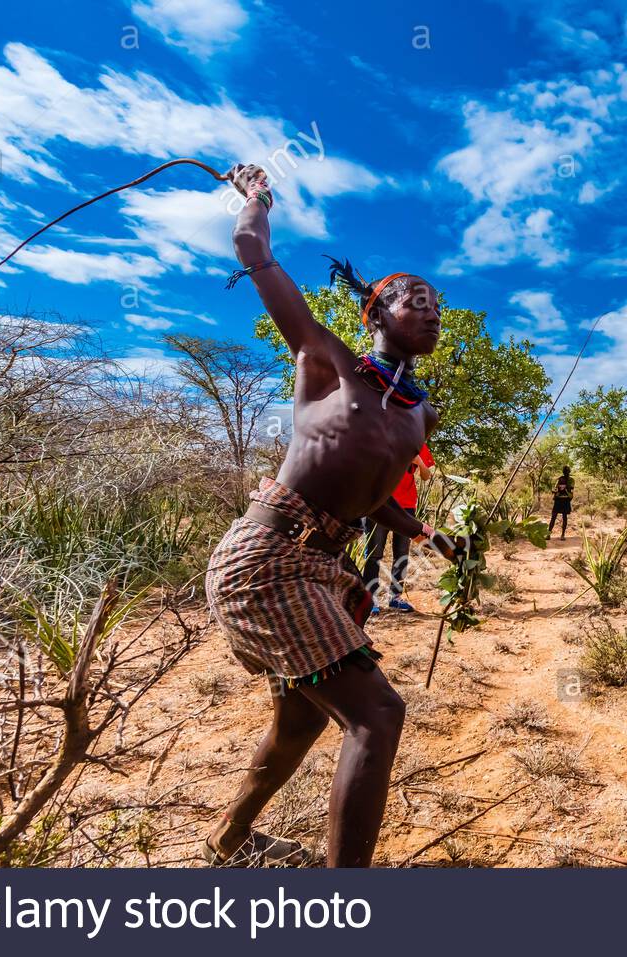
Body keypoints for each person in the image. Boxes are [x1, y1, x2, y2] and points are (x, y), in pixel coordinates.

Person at [204, 165, 460, 868]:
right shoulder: (325, 361)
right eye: (413, 297)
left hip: (323, 569)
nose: (431, 308)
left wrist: (429, 534)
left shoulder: (419, 413)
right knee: (377, 714)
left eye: (437, 302)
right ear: (374, 313)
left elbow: (371, 492)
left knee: (299, 722)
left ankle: (227, 841)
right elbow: (251, 248)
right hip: (265, 558)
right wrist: (258, 196)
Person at [362, 444, 435, 614]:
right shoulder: (384, 438)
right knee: (374, 554)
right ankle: (369, 599)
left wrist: (420, 463)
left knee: (401, 553)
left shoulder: (418, 444)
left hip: (407, 507)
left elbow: (426, 476)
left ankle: (395, 598)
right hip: (378, 506)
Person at [548, 466, 575, 539]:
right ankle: (548, 534)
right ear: (563, 472)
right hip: (558, 500)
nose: (565, 473)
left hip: (566, 500)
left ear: (569, 472)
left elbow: (571, 491)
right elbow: (555, 488)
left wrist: (565, 489)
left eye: (567, 471)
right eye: (564, 471)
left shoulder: (571, 480)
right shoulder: (560, 479)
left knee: (564, 517)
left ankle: (562, 535)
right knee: (553, 517)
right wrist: (555, 491)